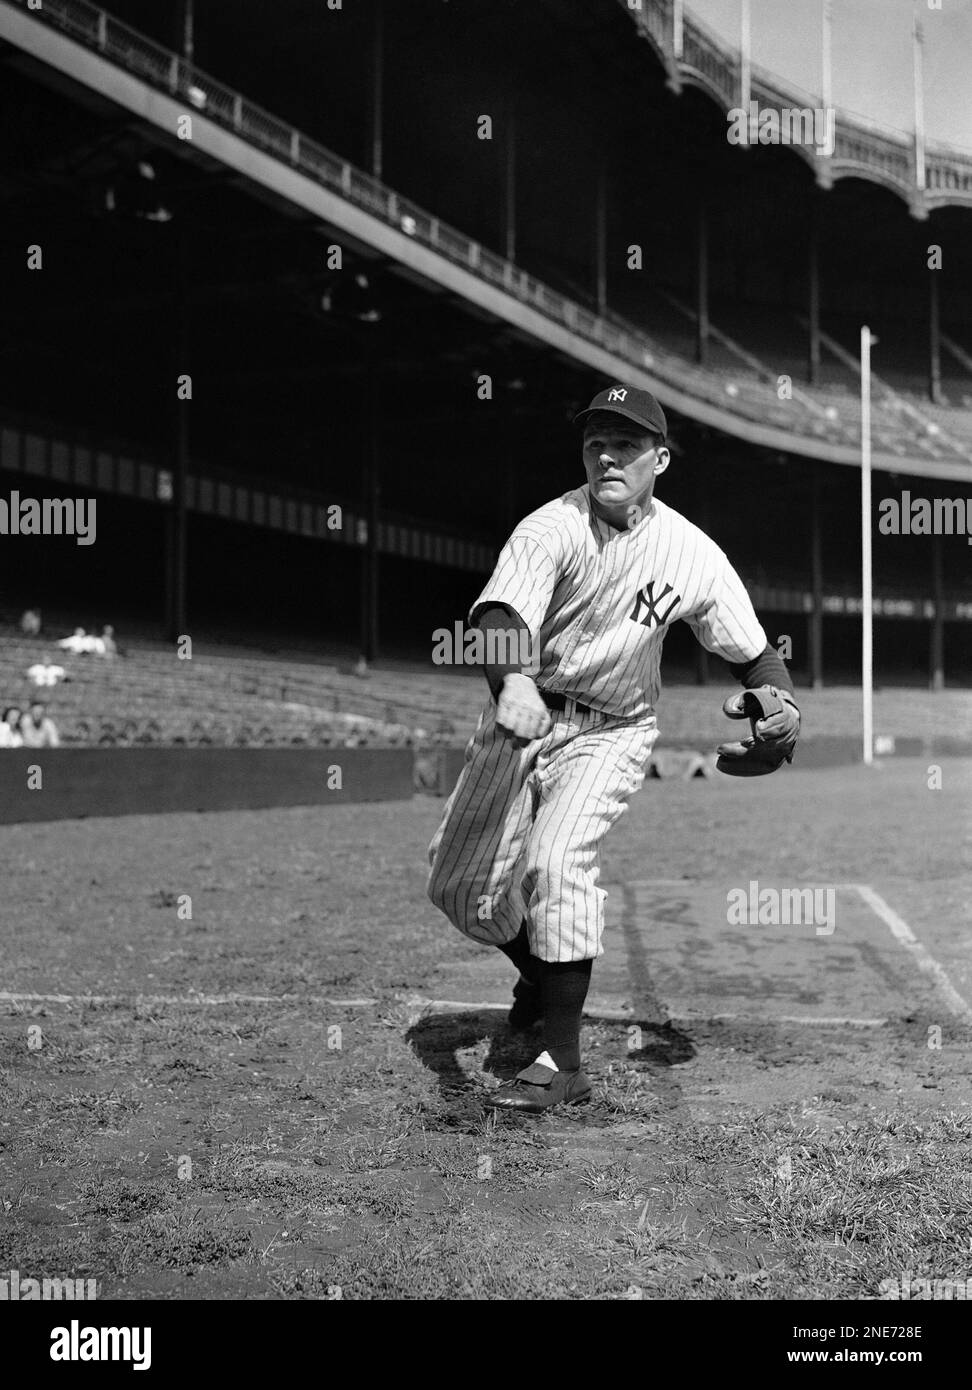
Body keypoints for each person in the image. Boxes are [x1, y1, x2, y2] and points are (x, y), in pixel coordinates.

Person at [427, 383, 800, 1114]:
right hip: (524, 714)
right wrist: (510, 681)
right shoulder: (550, 527)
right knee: (461, 890)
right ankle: (542, 978)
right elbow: (501, 612)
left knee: (558, 862)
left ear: (660, 459)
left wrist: (779, 712)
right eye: (596, 439)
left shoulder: (692, 552)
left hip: (613, 729)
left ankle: (557, 1065)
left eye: (626, 443)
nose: (607, 454)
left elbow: (755, 657)